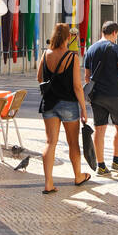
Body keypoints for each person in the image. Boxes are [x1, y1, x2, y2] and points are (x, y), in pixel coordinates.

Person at [37, 22, 91, 193]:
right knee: (73, 143)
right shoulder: (72, 57)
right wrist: (83, 108)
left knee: (50, 142)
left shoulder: (45, 54)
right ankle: (78, 176)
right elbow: (77, 86)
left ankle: (48, 183)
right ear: (69, 37)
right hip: (68, 103)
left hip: (49, 103)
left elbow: (39, 78)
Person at [83, 20, 118, 177]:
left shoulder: (90, 49)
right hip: (115, 95)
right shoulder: (116, 49)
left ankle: (101, 166)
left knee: (99, 130)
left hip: (97, 96)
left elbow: (87, 77)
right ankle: (116, 162)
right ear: (114, 33)